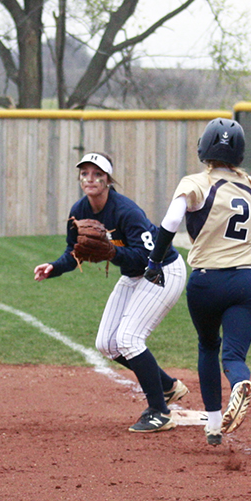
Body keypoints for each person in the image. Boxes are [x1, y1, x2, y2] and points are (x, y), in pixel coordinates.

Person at [146, 118, 251, 446]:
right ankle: (240, 382)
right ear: (240, 153)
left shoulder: (195, 182)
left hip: (207, 282)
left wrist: (154, 261)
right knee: (234, 357)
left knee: (208, 345)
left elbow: (170, 221)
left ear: (204, 148)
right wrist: (248, 257)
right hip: (246, 281)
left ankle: (211, 424)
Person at [33, 151, 191, 432]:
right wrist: (54, 267)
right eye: (85, 173)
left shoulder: (126, 211)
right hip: (134, 275)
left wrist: (111, 252)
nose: (90, 179)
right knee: (107, 343)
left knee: (129, 339)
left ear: (108, 180)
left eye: (97, 174)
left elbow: (146, 258)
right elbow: (75, 250)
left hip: (163, 270)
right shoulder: (79, 210)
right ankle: (167, 386)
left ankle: (159, 411)